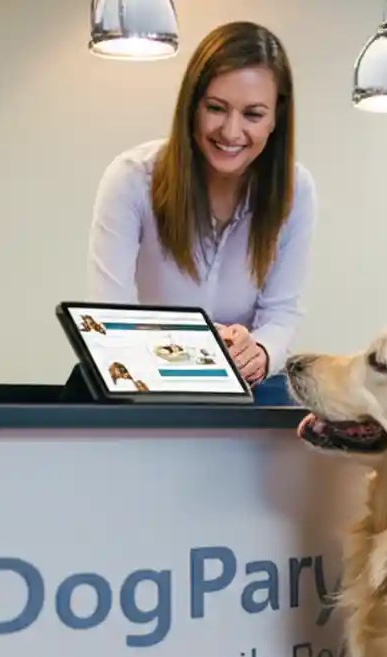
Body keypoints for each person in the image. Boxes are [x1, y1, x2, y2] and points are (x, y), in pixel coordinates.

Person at [86, 21, 316, 392]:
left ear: (276, 118)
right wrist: (200, 353)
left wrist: (257, 351)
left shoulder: (296, 190)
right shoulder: (131, 179)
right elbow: (108, 319)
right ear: (192, 106)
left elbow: (281, 314)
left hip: (249, 387)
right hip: (148, 378)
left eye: (253, 114)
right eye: (216, 108)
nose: (230, 131)